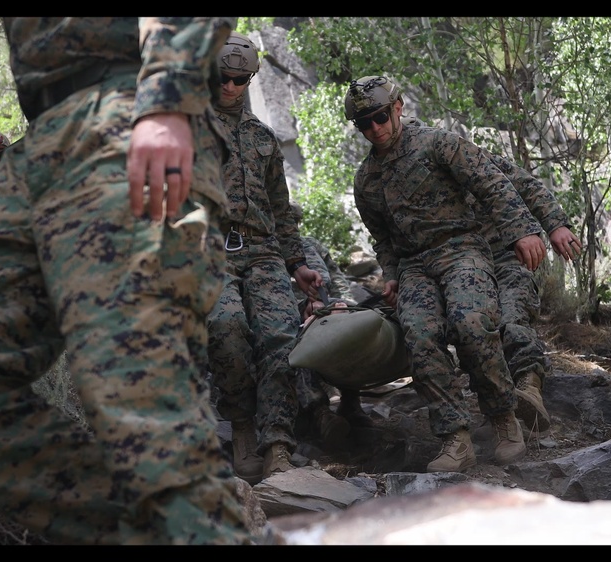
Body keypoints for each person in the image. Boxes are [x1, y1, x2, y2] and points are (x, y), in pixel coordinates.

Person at [0, 17, 252, 545]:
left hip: (127, 110)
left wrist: (166, 96)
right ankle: (174, 533)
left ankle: (194, 528)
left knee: (139, 400)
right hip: (43, 139)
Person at [345, 75, 547, 471]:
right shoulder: (366, 180)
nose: (375, 128)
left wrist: (522, 230)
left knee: (472, 322)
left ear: (398, 107)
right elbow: (382, 237)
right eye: (364, 123)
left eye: (380, 117)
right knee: (420, 336)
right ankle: (455, 438)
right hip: (414, 266)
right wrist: (390, 274)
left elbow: (494, 184)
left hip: (462, 248)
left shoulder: (439, 144)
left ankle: (504, 417)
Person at [403, 116, 582, 438]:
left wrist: (556, 224)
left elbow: (525, 185)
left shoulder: (471, 158)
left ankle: (529, 387)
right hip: (456, 265)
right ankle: (494, 401)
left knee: (511, 316)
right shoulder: (408, 190)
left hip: (503, 254)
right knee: (468, 325)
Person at [206, 31, 322, 485]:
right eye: (223, 77)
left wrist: (298, 264)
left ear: (251, 79)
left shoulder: (264, 140)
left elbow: (281, 210)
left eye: (240, 79)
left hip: (263, 253)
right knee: (226, 327)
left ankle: (277, 444)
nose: (230, 86)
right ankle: (241, 428)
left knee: (278, 337)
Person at [287, 200, 373, 450]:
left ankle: (351, 401)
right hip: (294, 311)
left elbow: (337, 278)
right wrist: (304, 305)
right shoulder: (271, 251)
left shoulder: (313, 245)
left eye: (295, 222)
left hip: (328, 304)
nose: (292, 227)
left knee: (351, 326)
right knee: (300, 336)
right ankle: (320, 414)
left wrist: (345, 303)